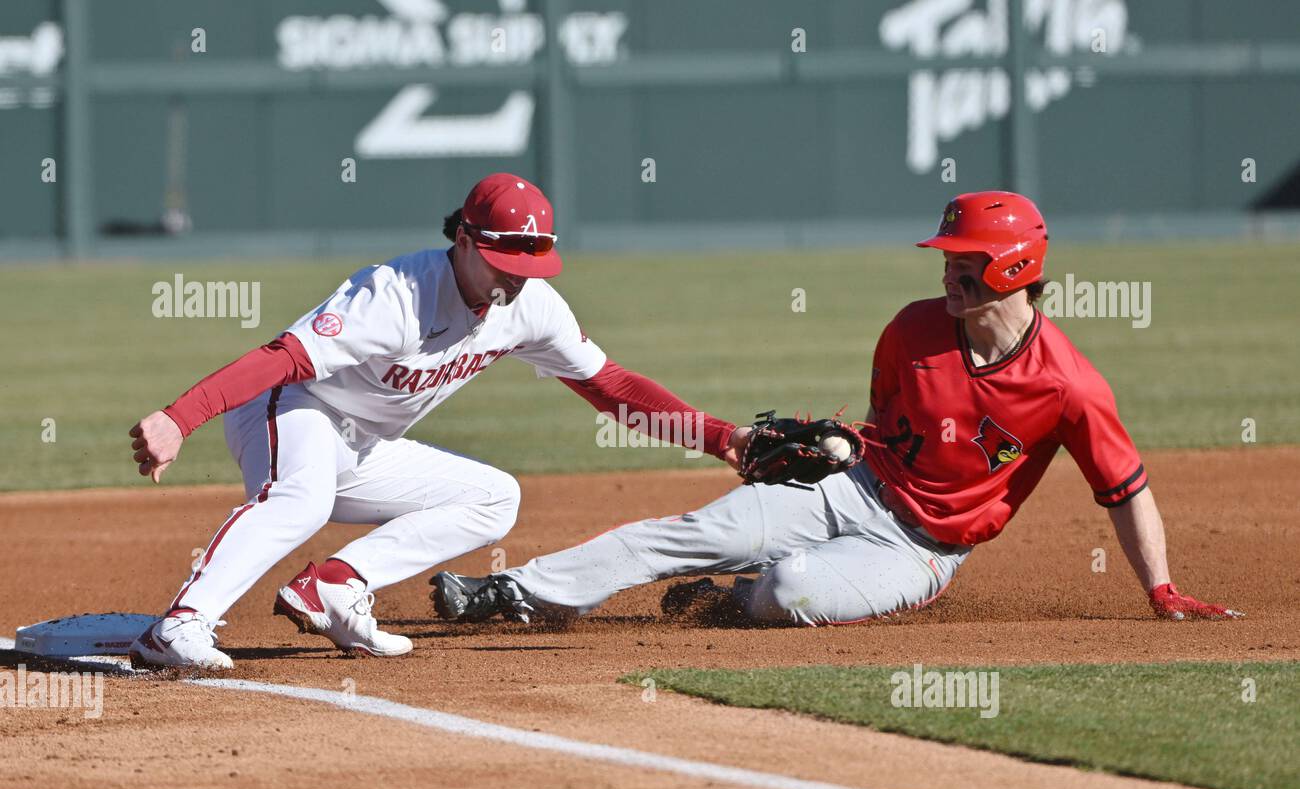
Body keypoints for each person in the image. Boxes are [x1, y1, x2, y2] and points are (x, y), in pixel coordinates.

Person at [431, 191, 1242, 627]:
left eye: (963, 261)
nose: (946, 272)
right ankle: (520, 594)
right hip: (855, 490)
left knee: (791, 591)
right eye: (947, 258)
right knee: (694, 533)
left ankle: (730, 602)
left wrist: (1160, 590)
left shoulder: (1070, 385)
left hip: (924, 552)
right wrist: (845, 445)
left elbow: (1126, 489)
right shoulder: (914, 329)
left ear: (1012, 269)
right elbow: (891, 427)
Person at [127, 173, 744, 669]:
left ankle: (335, 587)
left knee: (494, 499)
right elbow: (283, 358)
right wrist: (181, 419)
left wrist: (723, 438)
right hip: (294, 408)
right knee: (303, 499)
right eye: (506, 258)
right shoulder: (395, 295)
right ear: (467, 241)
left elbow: (610, 387)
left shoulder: (530, 306)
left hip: (363, 445)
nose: (518, 277)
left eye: (530, 261)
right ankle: (180, 625)